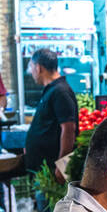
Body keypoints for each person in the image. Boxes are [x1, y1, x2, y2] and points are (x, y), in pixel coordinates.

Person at [23, 48, 78, 180]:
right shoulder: (52, 89)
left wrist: (62, 165)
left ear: (39, 68)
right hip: (43, 167)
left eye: (31, 67)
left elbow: (69, 129)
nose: (31, 73)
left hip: (52, 169)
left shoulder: (60, 91)